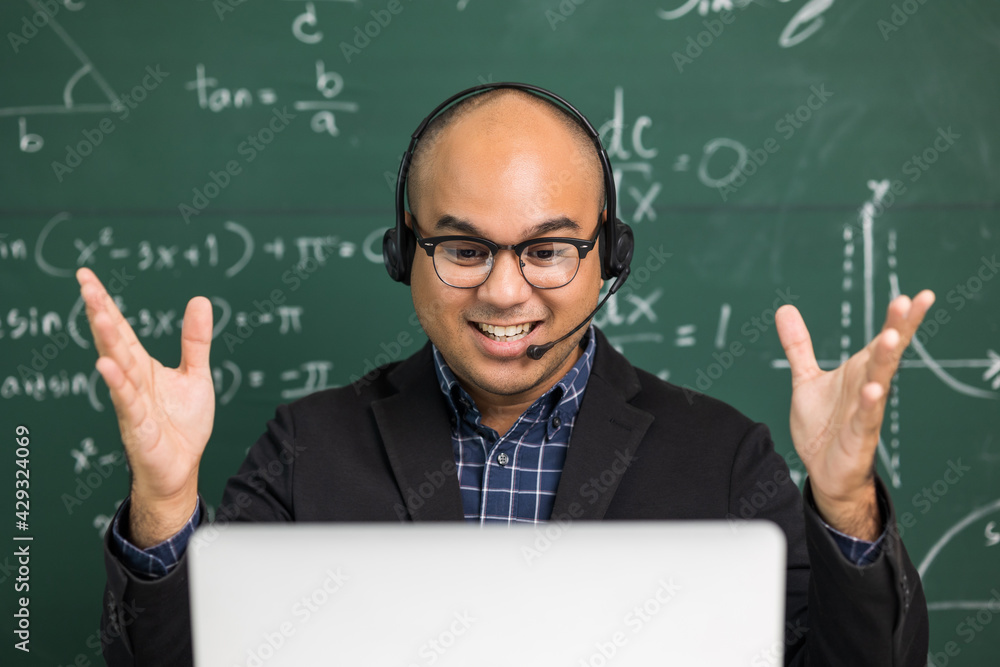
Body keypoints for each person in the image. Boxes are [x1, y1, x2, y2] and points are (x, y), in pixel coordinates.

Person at [81, 84, 932, 666]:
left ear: (610, 255)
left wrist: (845, 504)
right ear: (404, 250)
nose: (503, 290)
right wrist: (165, 500)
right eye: (463, 248)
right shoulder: (306, 446)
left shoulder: (724, 457)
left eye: (547, 249)